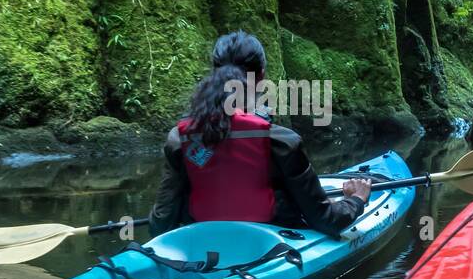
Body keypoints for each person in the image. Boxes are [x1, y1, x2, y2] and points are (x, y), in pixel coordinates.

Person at [148, 31, 372, 237]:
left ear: (214, 73)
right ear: (262, 76)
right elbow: (325, 220)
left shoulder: (180, 139)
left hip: (204, 244)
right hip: (271, 244)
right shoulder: (282, 141)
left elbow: (161, 223)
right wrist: (356, 199)